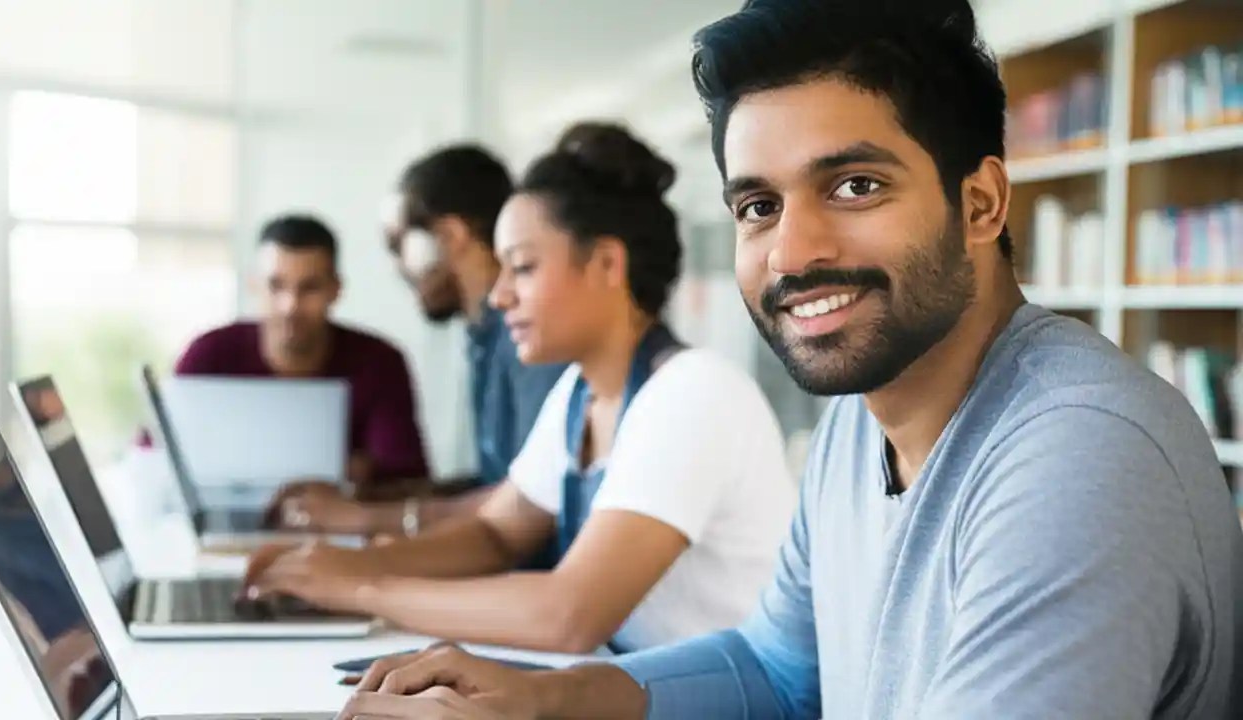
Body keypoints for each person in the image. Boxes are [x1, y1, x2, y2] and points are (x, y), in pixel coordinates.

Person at [335, 1, 1243, 718]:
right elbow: (776, 670)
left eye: (854, 186)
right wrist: (538, 698)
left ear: (981, 203)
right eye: (757, 206)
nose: (792, 253)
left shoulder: (1079, 455)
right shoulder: (859, 421)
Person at [241, 122, 797, 655]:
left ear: (606, 263)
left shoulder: (691, 394)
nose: (501, 295)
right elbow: (496, 532)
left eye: (523, 268)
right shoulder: (581, 393)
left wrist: (362, 592)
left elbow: (570, 613)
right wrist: (344, 566)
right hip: (627, 682)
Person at [269, 147, 567, 539]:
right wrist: (364, 499)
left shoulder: (525, 338)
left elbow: (534, 500)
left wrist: (362, 519)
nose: (399, 269)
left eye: (399, 245)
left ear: (450, 234)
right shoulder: (483, 338)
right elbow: (501, 481)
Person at [173, 214, 430, 498]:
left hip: (342, 526)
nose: (290, 306)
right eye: (276, 286)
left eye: (309, 288)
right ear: (254, 285)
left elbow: (407, 479)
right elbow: (155, 454)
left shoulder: (381, 361)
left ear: (336, 289)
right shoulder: (209, 354)